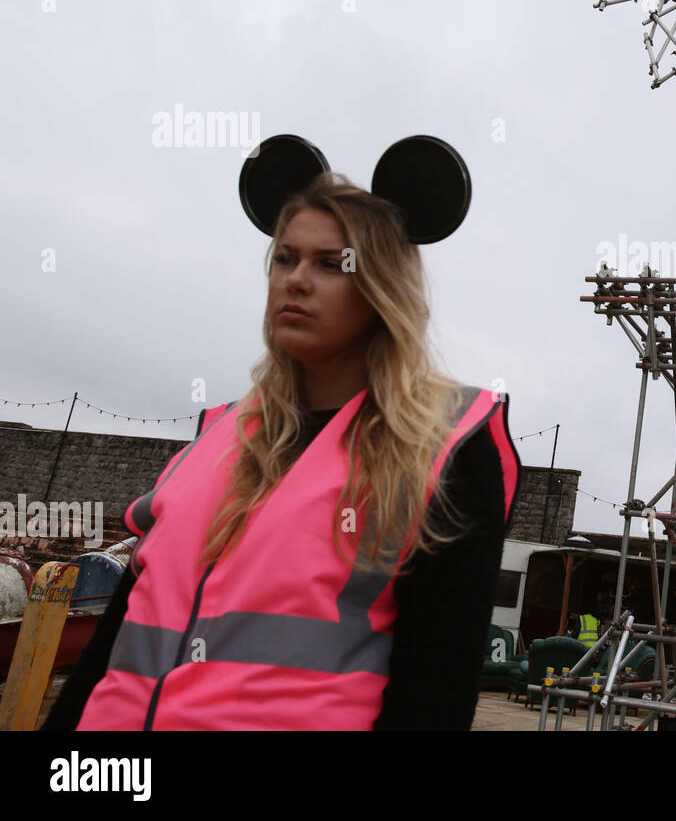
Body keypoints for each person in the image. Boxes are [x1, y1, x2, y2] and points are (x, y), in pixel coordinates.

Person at [42, 134, 522, 730]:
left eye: (330, 265)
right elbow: (112, 642)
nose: (295, 280)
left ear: (382, 290)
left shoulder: (445, 448)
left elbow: (435, 687)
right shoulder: (215, 438)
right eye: (285, 258)